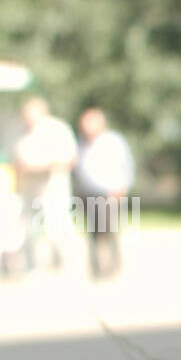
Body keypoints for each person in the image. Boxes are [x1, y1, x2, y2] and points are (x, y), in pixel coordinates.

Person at [14, 96, 80, 274]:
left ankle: (65, 264)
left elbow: (70, 158)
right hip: (29, 189)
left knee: (58, 226)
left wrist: (42, 166)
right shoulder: (22, 133)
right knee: (28, 228)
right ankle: (32, 267)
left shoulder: (57, 129)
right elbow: (18, 161)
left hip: (53, 187)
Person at [73, 107, 135, 280]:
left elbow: (127, 166)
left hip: (109, 193)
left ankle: (114, 267)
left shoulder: (114, 141)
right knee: (93, 233)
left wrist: (121, 188)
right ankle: (96, 269)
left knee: (110, 231)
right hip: (88, 194)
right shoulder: (81, 142)